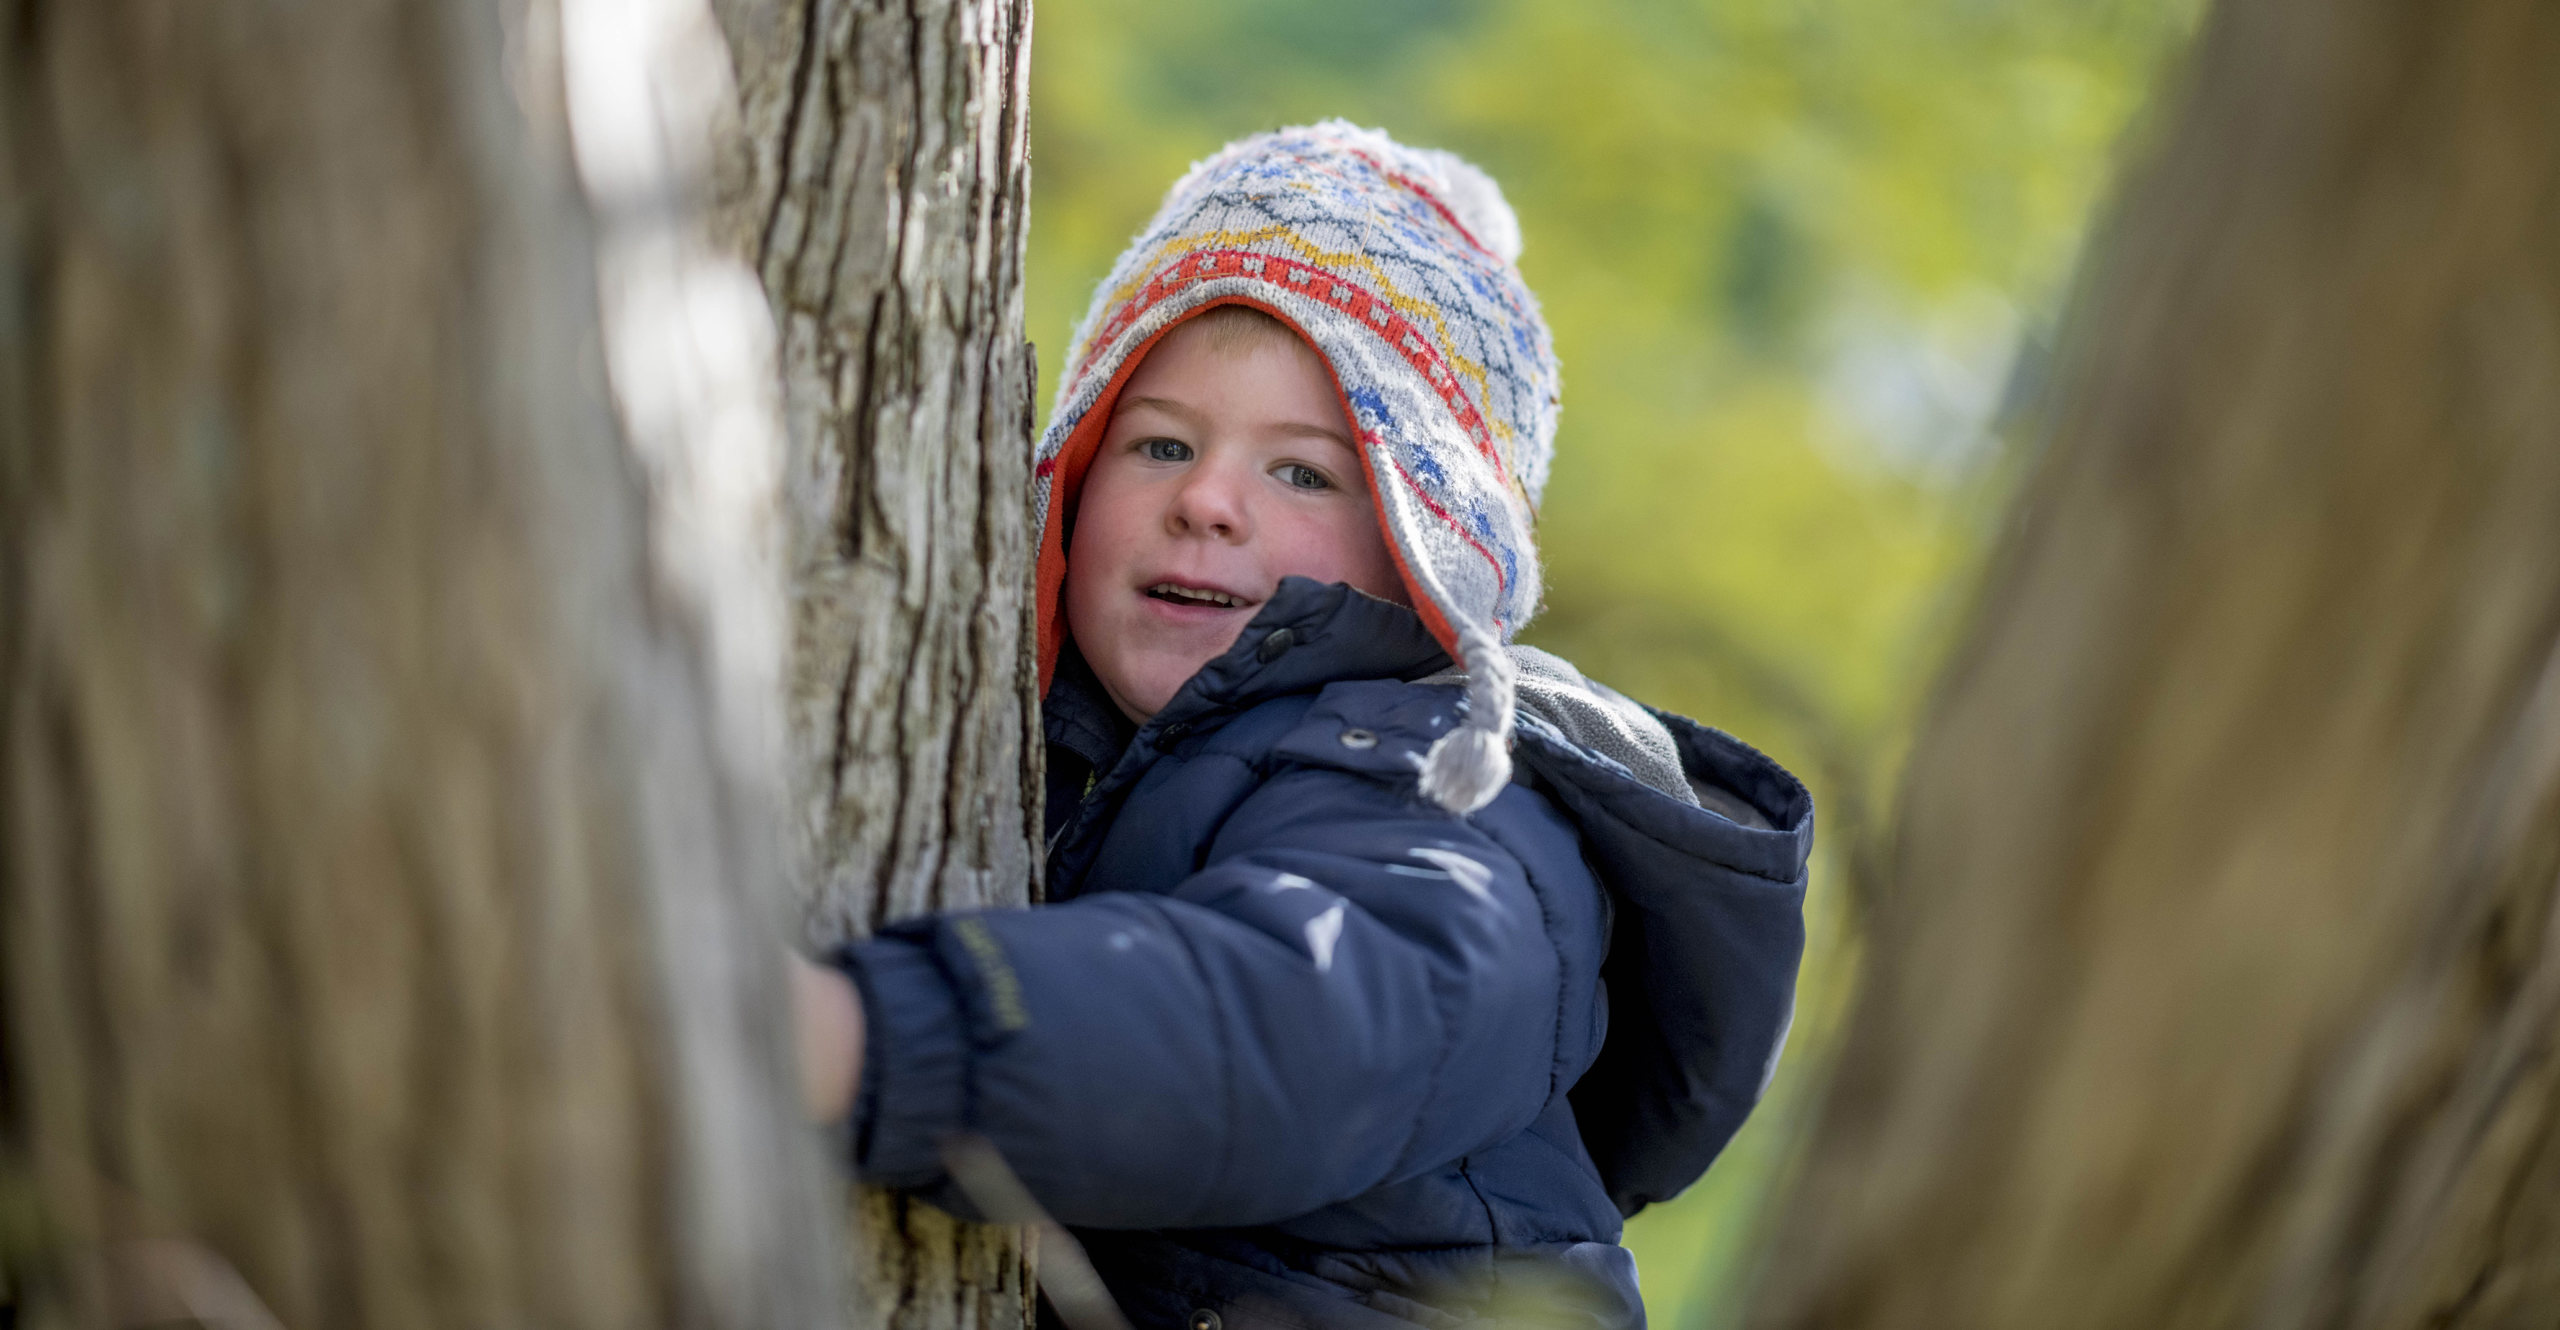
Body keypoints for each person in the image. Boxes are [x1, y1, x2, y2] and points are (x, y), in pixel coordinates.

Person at [790, 121, 1812, 1330]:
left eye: (1305, 473)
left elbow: (1294, 1030)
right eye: (1158, 442)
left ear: (1429, 548)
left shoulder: (1461, 803)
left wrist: (871, 1039)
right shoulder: (1053, 749)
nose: (1206, 501)